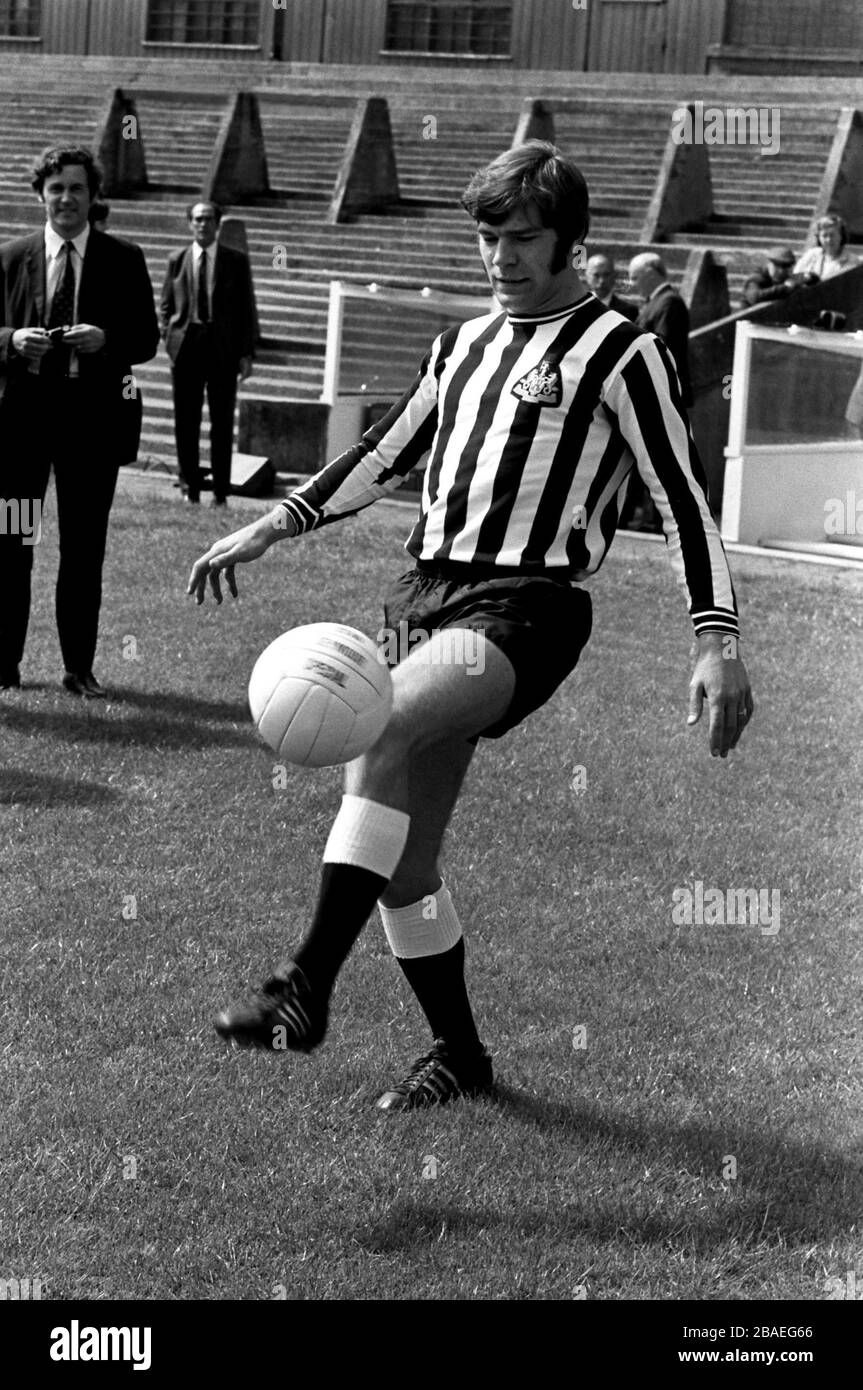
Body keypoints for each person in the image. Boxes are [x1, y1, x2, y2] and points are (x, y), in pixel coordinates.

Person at [187, 142, 753, 1112]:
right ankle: (459, 1052)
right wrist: (273, 523)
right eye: (487, 237)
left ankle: (302, 988)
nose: (499, 256)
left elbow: (681, 499)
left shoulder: (619, 350)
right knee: (404, 860)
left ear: (569, 242)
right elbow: (382, 448)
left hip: (525, 604)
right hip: (421, 592)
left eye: (521, 238)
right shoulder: (460, 344)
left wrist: (714, 639)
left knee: (388, 717)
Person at [0, 145, 158, 696]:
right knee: (12, 543)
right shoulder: (12, 256)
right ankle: (4, 664)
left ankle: (78, 668)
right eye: (56, 188)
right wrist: (13, 340)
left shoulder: (124, 258)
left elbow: (147, 340)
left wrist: (106, 341)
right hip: (21, 428)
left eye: (77, 189)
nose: (66, 199)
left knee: (83, 549)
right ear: (40, 194)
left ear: (93, 197)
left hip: (91, 428)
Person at [159, 201, 256, 507]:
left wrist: (246, 353)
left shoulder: (235, 260)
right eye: (198, 220)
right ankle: (190, 488)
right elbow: (165, 305)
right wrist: (168, 336)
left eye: (208, 219)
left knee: (222, 421)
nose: (203, 224)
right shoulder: (177, 259)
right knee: (185, 421)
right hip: (186, 347)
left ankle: (221, 491)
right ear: (191, 224)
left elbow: (246, 309)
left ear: (218, 223)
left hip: (221, 348)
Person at [791, 215, 859, 286]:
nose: (828, 240)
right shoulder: (811, 255)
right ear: (819, 237)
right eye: (824, 236)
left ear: (841, 236)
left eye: (832, 235)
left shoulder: (852, 261)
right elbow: (795, 277)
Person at [584, 253, 637, 321]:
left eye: (606, 275)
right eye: (596, 275)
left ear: (614, 276)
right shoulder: (577, 309)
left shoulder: (628, 312)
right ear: (587, 276)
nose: (602, 281)